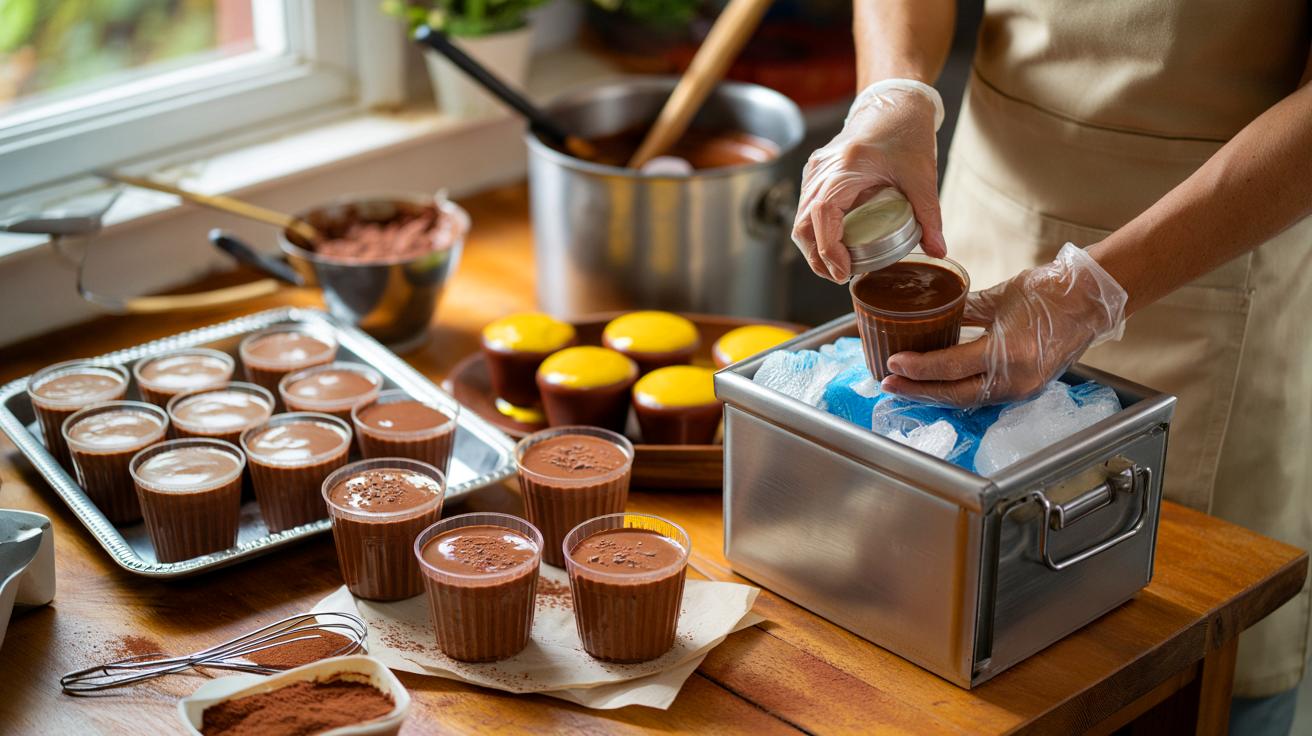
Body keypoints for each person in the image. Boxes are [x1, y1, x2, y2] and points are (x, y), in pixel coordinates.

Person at [792, 1, 1312, 732]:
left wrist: (1095, 292)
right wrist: (895, 91)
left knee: (1156, 673)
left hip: (1212, 267)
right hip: (984, 218)